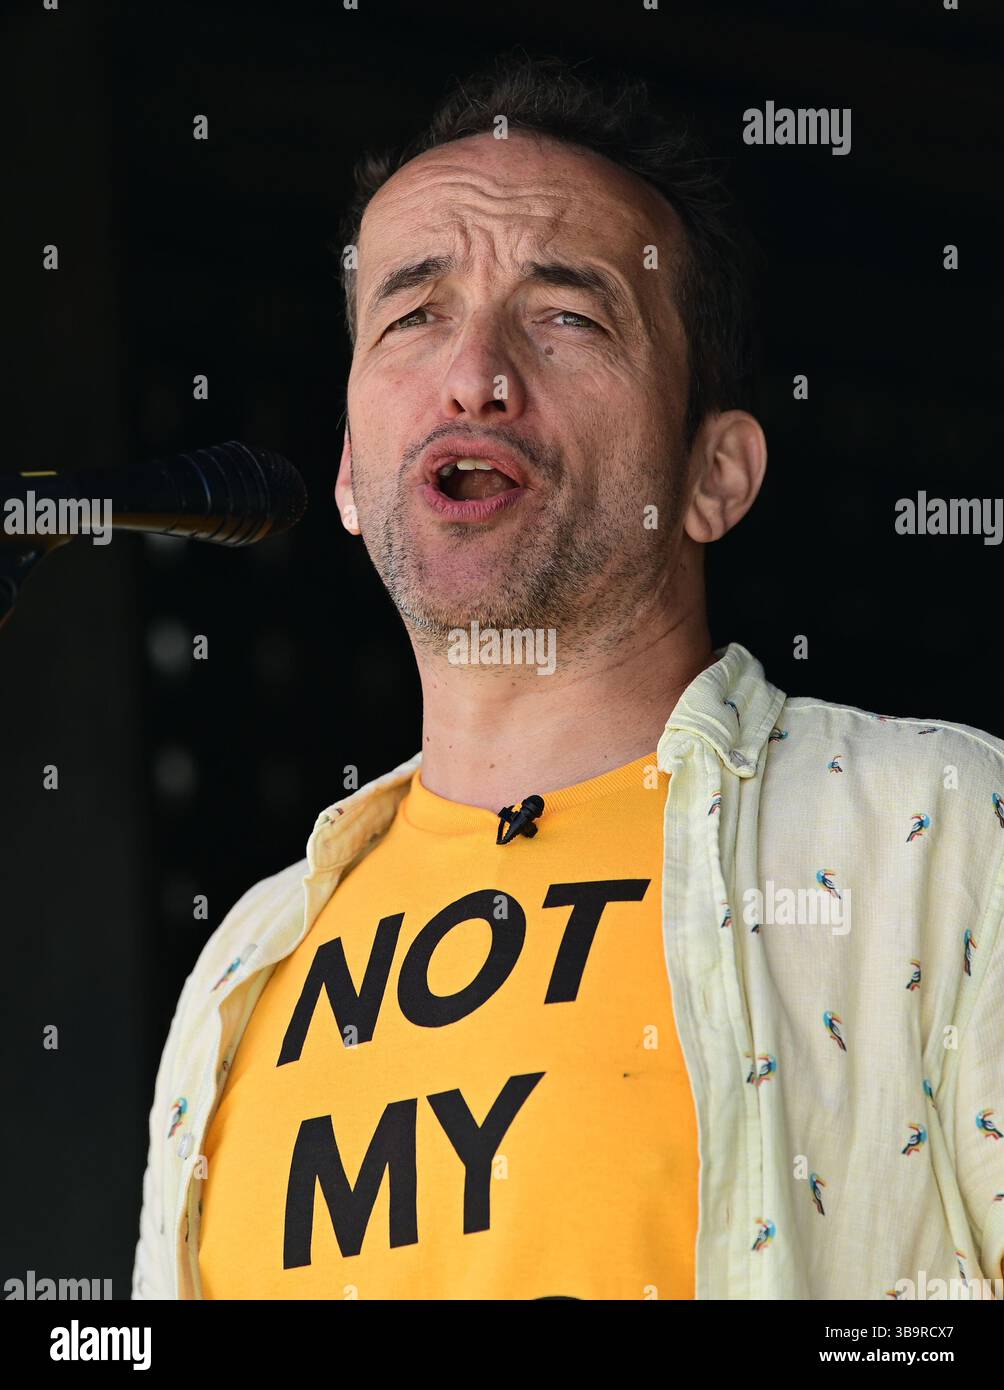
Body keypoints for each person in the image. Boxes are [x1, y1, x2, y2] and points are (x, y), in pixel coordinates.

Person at [132, 52, 1004, 1301]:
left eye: (566, 315)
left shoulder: (937, 836)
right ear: (343, 471)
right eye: (411, 312)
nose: (474, 371)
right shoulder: (245, 968)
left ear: (714, 475)